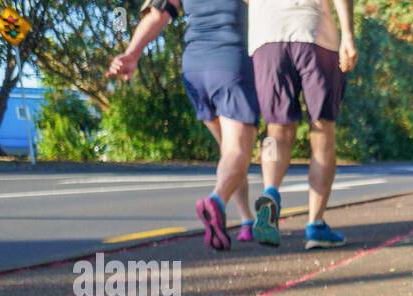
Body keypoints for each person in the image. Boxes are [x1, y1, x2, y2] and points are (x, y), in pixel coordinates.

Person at [109, 0, 259, 250]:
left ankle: (246, 222)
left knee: (230, 151)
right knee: (238, 151)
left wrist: (132, 53)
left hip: (194, 66)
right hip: (230, 60)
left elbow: (157, 15)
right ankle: (216, 201)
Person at [247, 0, 357, 249]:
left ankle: (270, 191)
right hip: (314, 31)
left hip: (267, 36)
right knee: (322, 129)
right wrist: (348, 35)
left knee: (277, 128)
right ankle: (315, 225)